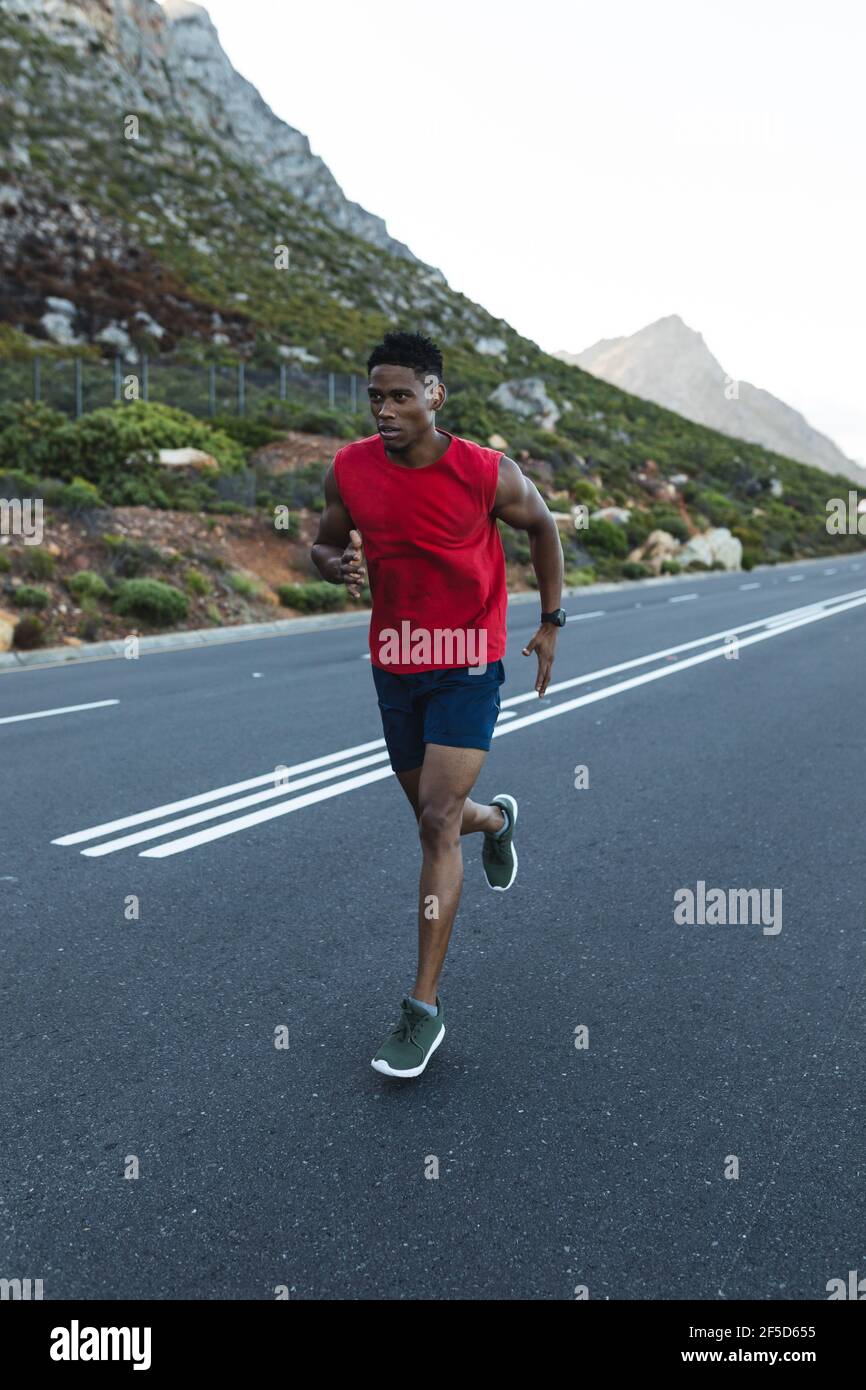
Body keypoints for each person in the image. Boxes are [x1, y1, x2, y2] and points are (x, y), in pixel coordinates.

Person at [311, 331, 565, 1078]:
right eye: (375, 397)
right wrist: (336, 566)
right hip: (397, 662)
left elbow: (545, 527)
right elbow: (323, 545)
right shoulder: (350, 468)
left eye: (399, 395)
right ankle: (498, 818)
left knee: (432, 824)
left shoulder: (488, 472)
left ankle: (422, 1009)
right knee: (437, 810)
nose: (385, 410)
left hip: (466, 662)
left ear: (434, 396)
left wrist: (550, 624)